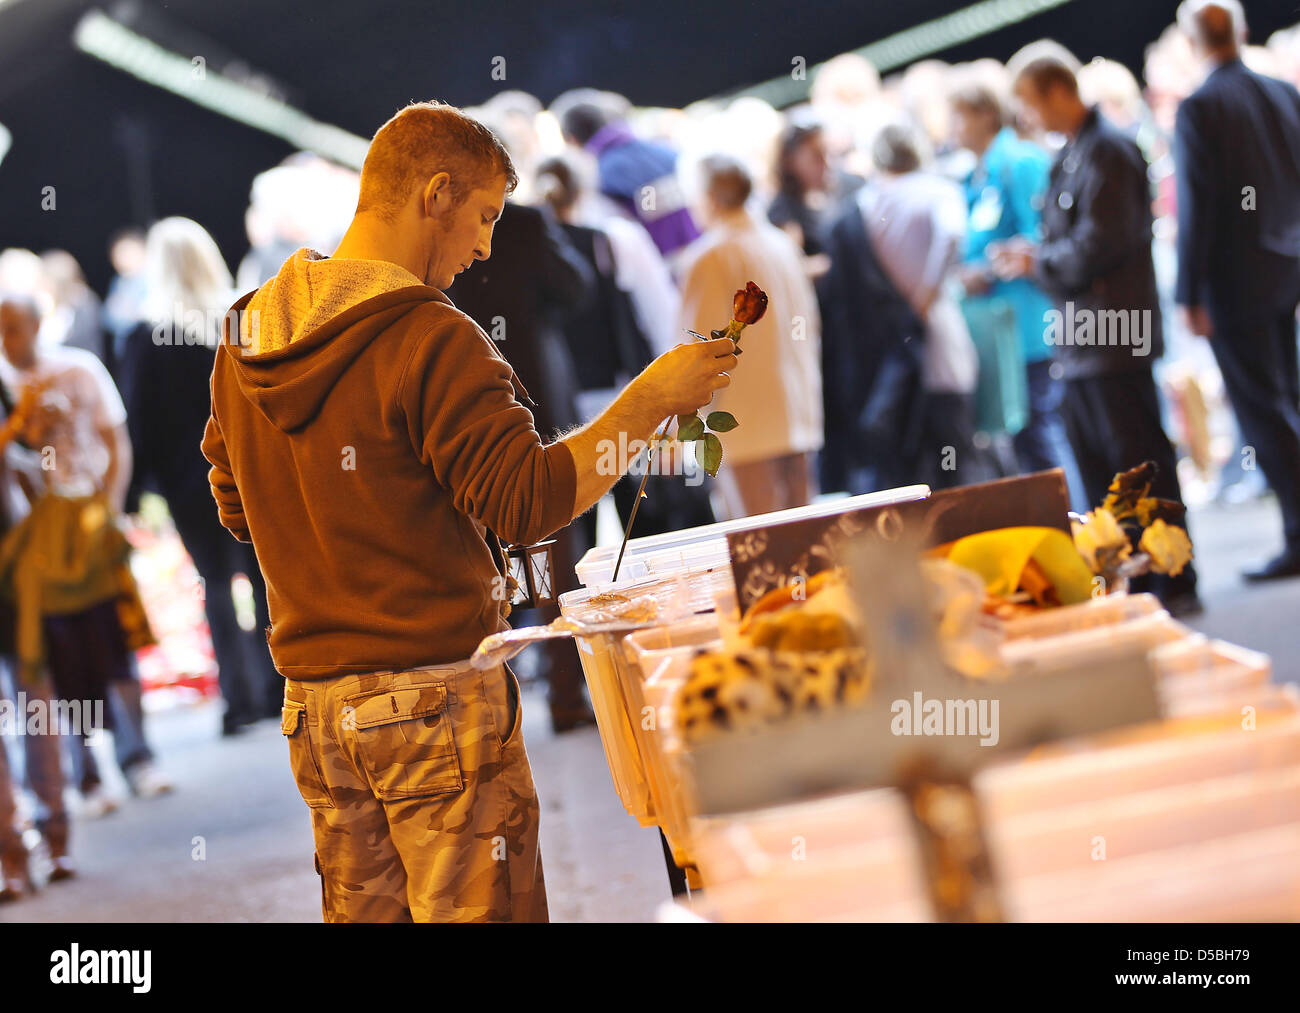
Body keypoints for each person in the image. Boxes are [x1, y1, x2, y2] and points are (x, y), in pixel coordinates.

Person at [202, 100, 738, 922]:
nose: (487, 246)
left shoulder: (249, 330)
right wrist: (649, 401)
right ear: (436, 194)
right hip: (435, 703)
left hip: (315, 714)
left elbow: (237, 505)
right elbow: (527, 503)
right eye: (485, 216)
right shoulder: (430, 337)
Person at [993, 41, 1201, 614]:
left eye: (1031, 103)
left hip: (1116, 334)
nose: (1028, 117)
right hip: (1083, 338)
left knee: (1139, 466)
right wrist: (1039, 257)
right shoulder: (1072, 152)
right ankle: (1136, 583)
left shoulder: (1109, 148)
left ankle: (1175, 578)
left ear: (1059, 91)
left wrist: (1037, 261)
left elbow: (1099, 244)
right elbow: (1072, 244)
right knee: (1102, 473)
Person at [0, 292, 171, 815]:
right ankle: (87, 775)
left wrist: (111, 509)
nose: (8, 339)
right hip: (38, 544)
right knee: (60, 654)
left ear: (37, 324)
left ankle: (137, 758)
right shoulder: (5, 388)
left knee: (113, 639)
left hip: (92, 527)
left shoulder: (79, 368)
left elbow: (116, 441)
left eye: (14, 326)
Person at [117, 218, 280, 735]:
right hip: (252, 472)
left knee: (214, 580)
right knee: (264, 576)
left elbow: (138, 420)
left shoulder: (146, 337)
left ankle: (238, 699)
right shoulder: (240, 323)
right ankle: (279, 685)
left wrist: (135, 492)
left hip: (188, 482)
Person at [1174, 0, 1300, 581]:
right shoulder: (1281, 91)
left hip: (1235, 283)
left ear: (1192, 42)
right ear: (1242, 30)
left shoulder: (1200, 106)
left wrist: (1188, 294)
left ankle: (1298, 534)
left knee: (1264, 413)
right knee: (1286, 402)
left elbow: (1197, 208)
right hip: (1285, 269)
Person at [950, 79, 1080, 493]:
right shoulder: (975, 176)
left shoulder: (1019, 163)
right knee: (1021, 439)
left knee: (1041, 433)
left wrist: (987, 272)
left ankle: (1072, 521)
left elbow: (1043, 237)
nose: (952, 127)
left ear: (986, 114)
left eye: (959, 116)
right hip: (998, 331)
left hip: (1031, 325)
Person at [678, 155, 823, 519]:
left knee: (758, 542)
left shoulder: (710, 256)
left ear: (709, 197)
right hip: (795, 412)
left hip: (743, 421)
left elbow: (699, 350)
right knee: (805, 535)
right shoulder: (781, 243)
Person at [859, 123, 978, 490]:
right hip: (938, 335)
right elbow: (952, 235)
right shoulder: (938, 191)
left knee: (905, 473)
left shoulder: (867, 201)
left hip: (889, 350)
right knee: (954, 462)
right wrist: (927, 294)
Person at [0, 378, 75, 901]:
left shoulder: (17, 422)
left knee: (38, 712)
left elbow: (53, 492)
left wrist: (38, 439)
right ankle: (10, 849)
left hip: (22, 588)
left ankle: (54, 836)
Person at [553, 90, 700, 262]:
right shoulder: (666, 151)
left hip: (659, 266)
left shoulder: (600, 177)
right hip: (703, 253)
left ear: (571, 140)